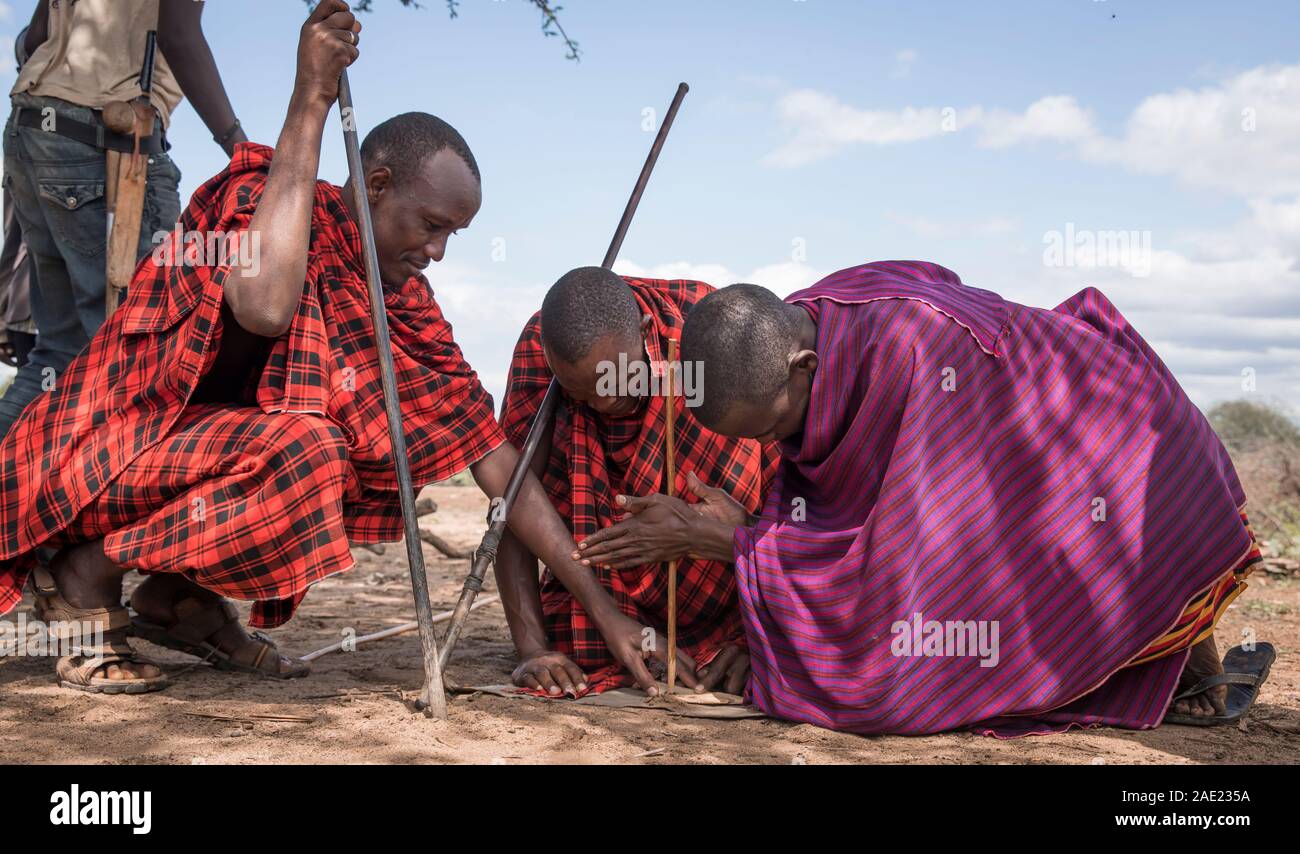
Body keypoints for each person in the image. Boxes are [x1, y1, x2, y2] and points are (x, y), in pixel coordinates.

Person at [0, 1, 693, 696]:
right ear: (377, 185)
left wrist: (605, 612)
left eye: (453, 235)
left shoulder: (403, 300)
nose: (437, 252)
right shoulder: (259, 199)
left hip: (189, 465)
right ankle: (85, 574)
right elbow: (266, 306)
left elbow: (495, 460)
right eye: (429, 226)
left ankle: (176, 599)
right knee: (308, 453)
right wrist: (311, 99)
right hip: (97, 456)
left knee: (357, 452)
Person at [582, 260, 1273, 735]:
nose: (775, 449)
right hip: (1049, 430)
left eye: (771, 429)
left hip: (1120, 442)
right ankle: (1178, 670)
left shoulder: (916, 358)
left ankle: (1188, 666)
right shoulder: (817, 314)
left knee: (1020, 617)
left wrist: (725, 541)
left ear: (805, 368)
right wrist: (755, 595)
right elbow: (840, 496)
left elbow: (891, 583)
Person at [495, 267, 778, 697]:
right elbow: (513, 501)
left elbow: (787, 491)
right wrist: (533, 650)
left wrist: (756, 636)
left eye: (615, 381)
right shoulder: (543, 350)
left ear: (645, 332)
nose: (605, 403)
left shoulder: (712, 328)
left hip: (729, 607)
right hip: (600, 607)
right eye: (584, 395)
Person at [0, 0, 248, 435]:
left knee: (60, 351)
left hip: (33, 131)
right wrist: (239, 148)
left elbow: (35, 37)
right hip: (105, 142)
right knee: (149, 345)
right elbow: (179, 36)